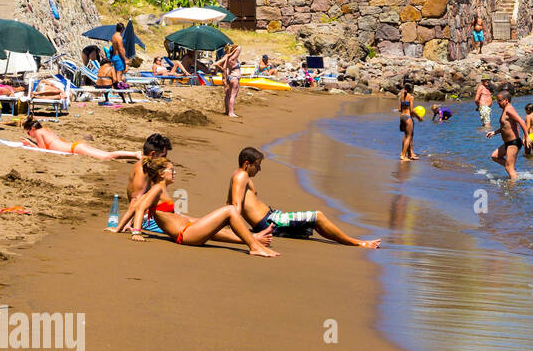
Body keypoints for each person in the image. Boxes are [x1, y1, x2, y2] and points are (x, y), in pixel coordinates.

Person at [118, 157, 277, 257]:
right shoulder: (157, 189)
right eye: (171, 170)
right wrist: (136, 232)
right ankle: (254, 246)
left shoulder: (160, 190)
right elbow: (140, 208)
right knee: (229, 210)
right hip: (185, 235)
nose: (174, 173)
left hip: (187, 229)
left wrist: (119, 228)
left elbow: (134, 206)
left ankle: (254, 239)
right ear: (161, 174)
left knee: (215, 224)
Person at [228, 147, 380, 247]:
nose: (259, 169)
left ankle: (353, 242)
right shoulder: (241, 176)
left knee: (312, 223)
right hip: (272, 221)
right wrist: (241, 232)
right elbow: (235, 206)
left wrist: (228, 226)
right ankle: (357, 242)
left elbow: (229, 203)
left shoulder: (238, 176)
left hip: (271, 220)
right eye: (257, 165)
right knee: (317, 216)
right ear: (247, 164)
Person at [21, 117, 141, 161]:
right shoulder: (46, 130)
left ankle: (135, 154)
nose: (30, 135)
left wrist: (30, 144)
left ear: (32, 129)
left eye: (28, 133)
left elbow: (42, 150)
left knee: (107, 156)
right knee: (107, 154)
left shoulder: (38, 132)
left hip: (75, 148)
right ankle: (135, 155)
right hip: (76, 146)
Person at [490, 89, 526, 180]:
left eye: (499, 100)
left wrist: (527, 137)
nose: (497, 103)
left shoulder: (509, 110)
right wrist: (495, 132)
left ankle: (513, 185)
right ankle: (512, 170)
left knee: (508, 167)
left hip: (514, 143)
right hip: (507, 143)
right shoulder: (505, 109)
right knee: (495, 156)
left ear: (506, 100)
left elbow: (521, 121)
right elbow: (505, 126)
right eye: (497, 101)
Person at [217, 42, 242, 118]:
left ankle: (227, 110)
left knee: (228, 95)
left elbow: (224, 68)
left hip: (229, 77)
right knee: (233, 96)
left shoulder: (226, 58)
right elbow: (239, 47)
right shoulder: (233, 58)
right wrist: (232, 52)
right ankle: (231, 113)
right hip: (235, 77)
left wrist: (224, 79)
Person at [398, 82, 417, 161]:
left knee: (406, 136)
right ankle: (403, 155)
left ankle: (407, 154)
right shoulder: (411, 97)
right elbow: (412, 110)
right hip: (408, 118)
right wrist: (418, 117)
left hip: (402, 117)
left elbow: (399, 109)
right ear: (411, 89)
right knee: (409, 136)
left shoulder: (401, 97)